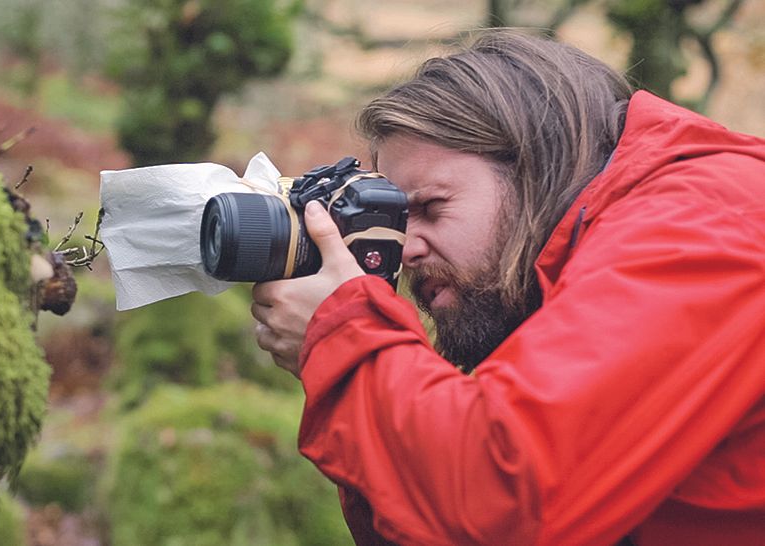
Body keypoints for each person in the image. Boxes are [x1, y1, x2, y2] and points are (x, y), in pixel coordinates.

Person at [250, 30, 765, 545]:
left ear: (539, 171)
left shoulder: (701, 226)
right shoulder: (586, 261)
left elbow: (503, 503)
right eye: (398, 221)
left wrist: (342, 335)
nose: (406, 250)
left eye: (431, 207)